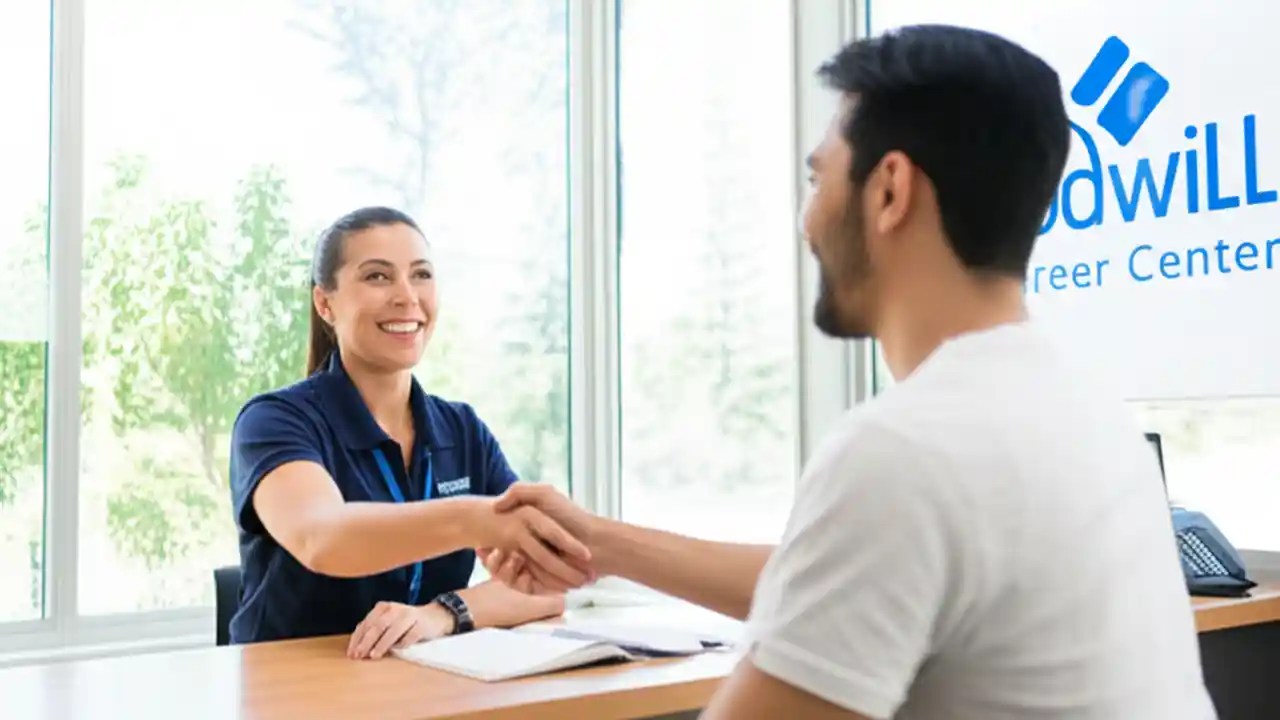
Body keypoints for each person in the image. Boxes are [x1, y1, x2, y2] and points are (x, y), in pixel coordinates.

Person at [481, 25, 1215, 719]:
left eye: (817, 178)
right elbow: (844, 582)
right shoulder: (1085, 410)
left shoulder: (907, 448)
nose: (808, 221)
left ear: (889, 190)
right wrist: (600, 545)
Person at [227, 206, 590, 657]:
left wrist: (443, 613)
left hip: (420, 687)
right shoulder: (274, 421)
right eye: (378, 277)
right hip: (294, 693)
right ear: (325, 303)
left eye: (421, 275)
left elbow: (550, 578)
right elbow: (325, 539)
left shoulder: (462, 429)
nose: (406, 296)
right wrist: (475, 518)